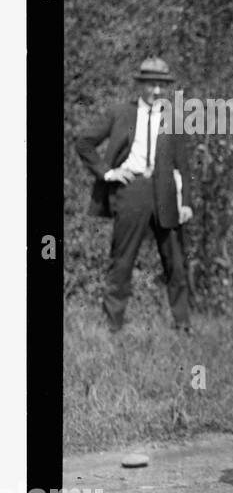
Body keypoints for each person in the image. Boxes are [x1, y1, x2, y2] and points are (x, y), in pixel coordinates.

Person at [75, 56, 194, 332]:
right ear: (140, 85)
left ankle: (183, 325)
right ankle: (113, 326)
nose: (156, 91)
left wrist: (186, 202)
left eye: (161, 86)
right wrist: (107, 172)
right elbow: (84, 142)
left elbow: (184, 165)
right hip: (131, 191)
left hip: (166, 193)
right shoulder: (120, 113)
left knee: (175, 262)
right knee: (122, 260)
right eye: (151, 85)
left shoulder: (174, 118)